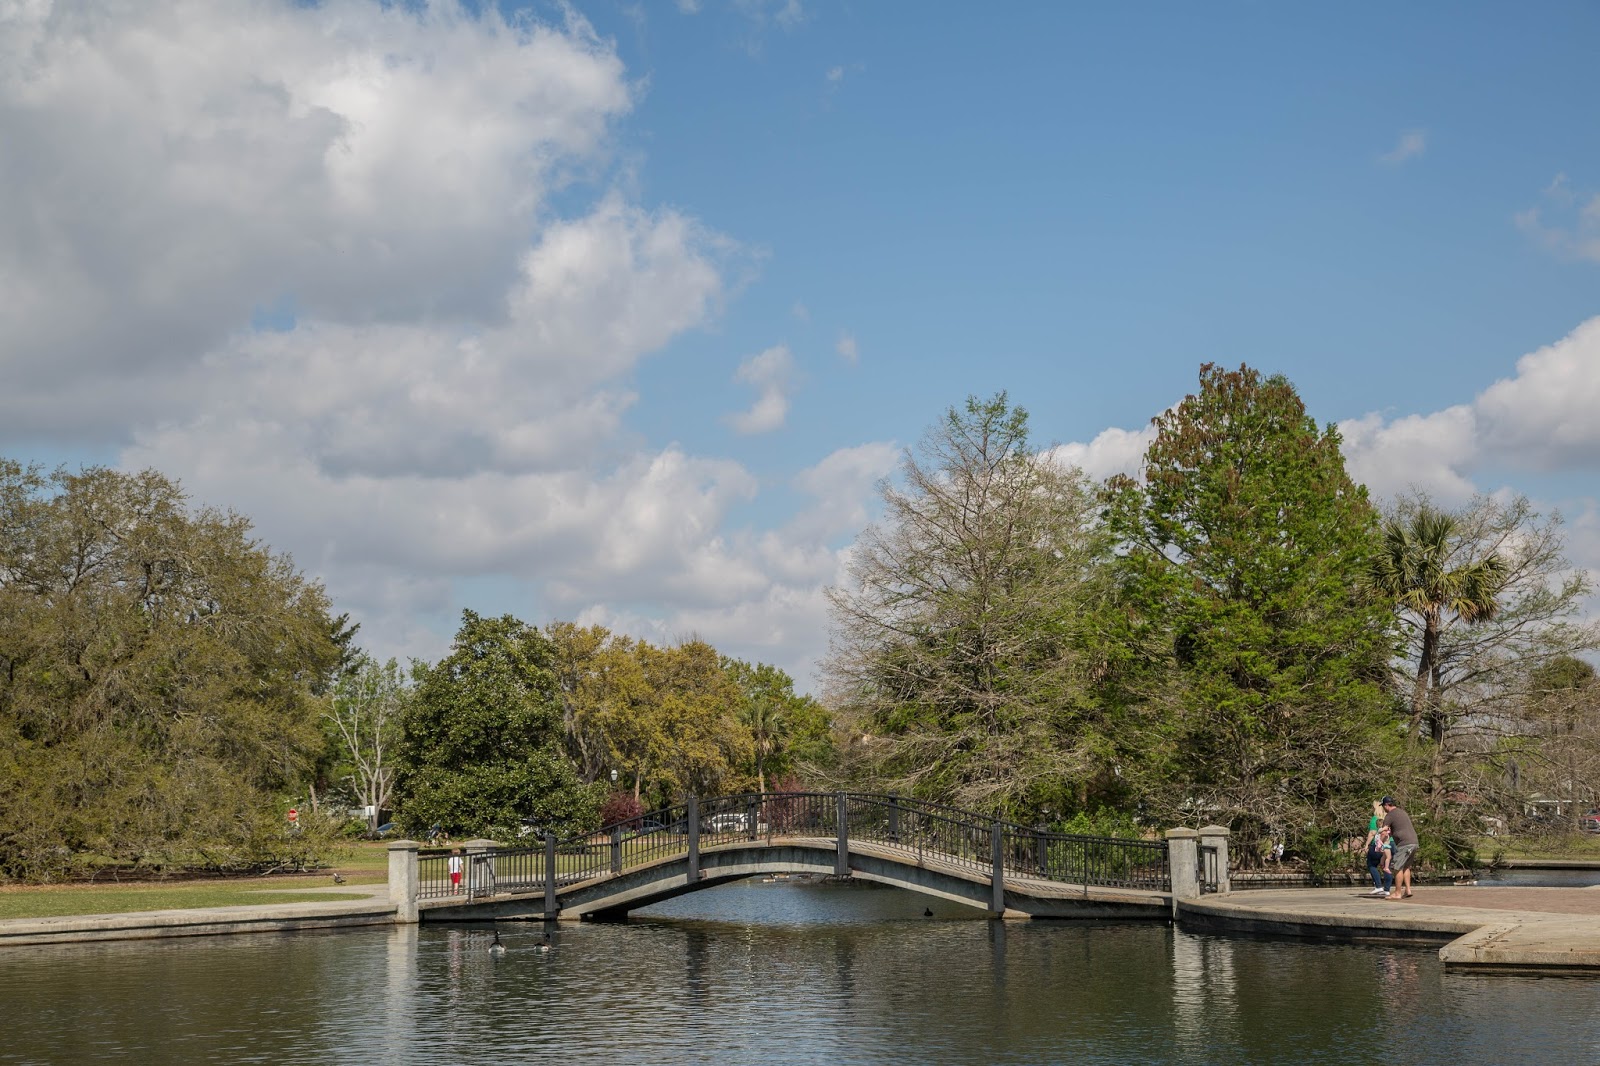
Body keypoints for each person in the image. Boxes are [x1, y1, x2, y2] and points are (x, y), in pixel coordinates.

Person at [1381, 797, 1418, 900]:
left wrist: (1380, 843)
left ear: (1386, 805)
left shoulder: (1389, 815)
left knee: (1397, 867)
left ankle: (1397, 893)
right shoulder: (1402, 812)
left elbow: (1384, 833)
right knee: (1406, 866)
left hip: (1404, 843)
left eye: (1383, 807)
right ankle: (1408, 890)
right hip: (1414, 842)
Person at [1362, 800, 1392, 896]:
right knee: (1386, 866)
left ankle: (1378, 886)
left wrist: (1366, 845)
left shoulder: (1375, 819)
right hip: (1389, 845)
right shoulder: (1389, 818)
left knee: (1371, 864)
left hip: (1378, 845)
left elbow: (1372, 833)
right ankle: (1387, 889)